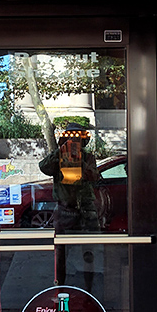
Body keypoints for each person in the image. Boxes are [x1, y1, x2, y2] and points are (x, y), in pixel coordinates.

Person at [39, 122, 99, 285]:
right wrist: (61, 151)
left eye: (78, 139)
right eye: (72, 139)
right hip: (65, 208)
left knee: (88, 252)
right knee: (61, 251)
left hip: (85, 210)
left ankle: (89, 290)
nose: (75, 142)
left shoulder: (88, 157)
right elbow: (43, 167)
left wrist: (81, 161)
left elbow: (94, 177)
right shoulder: (59, 155)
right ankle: (60, 288)